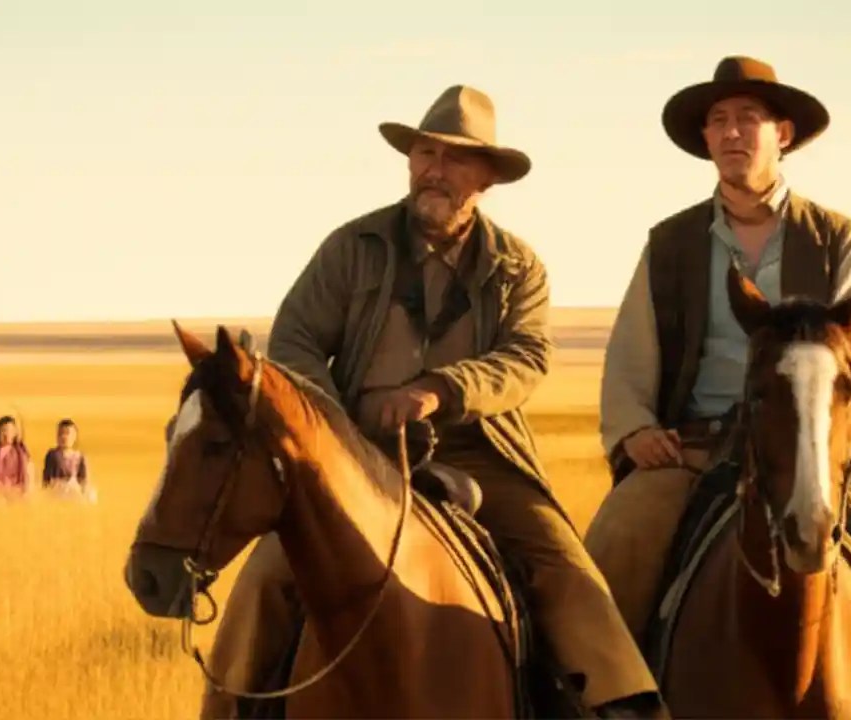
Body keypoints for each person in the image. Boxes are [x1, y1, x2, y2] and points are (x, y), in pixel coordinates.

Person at [200, 84, 659, 718]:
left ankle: (623, 708)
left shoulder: (518, 267)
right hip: (352, 455)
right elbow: (297, 341)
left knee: (569, 575)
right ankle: (224, 709)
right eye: (424, 154)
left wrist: (442, 390)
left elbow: (527, 359)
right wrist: (334, 432)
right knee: (266, 580)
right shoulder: (351, 248)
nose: (434, 172)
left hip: (481, 454)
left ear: (487, 178)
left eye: (455, 158)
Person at [585, 56, 851, 718]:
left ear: (783, 134)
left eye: (748, 118)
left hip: (816, 440)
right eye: (718, 121)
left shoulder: (836, 236)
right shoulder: (671, 244)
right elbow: (632, 351)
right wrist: (634, 429)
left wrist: (813, 404)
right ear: (706, 141)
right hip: (692, 447)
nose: (732, 132)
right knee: (601, 566)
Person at [0, 416, 32, 492]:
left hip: (13, 494)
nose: (6, 434)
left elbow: (26, 477)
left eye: (9, 431)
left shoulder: (20, 453)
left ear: (15, 433)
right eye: (3, 430)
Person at [42, 418, 90, 493]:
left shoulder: (80, 457)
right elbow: (47, 480)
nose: (63, 437)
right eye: (60, 433)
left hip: (74, 491)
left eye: (67, 433)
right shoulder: (52, 455)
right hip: (57, 491)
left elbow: (84, 481)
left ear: (75, 436)